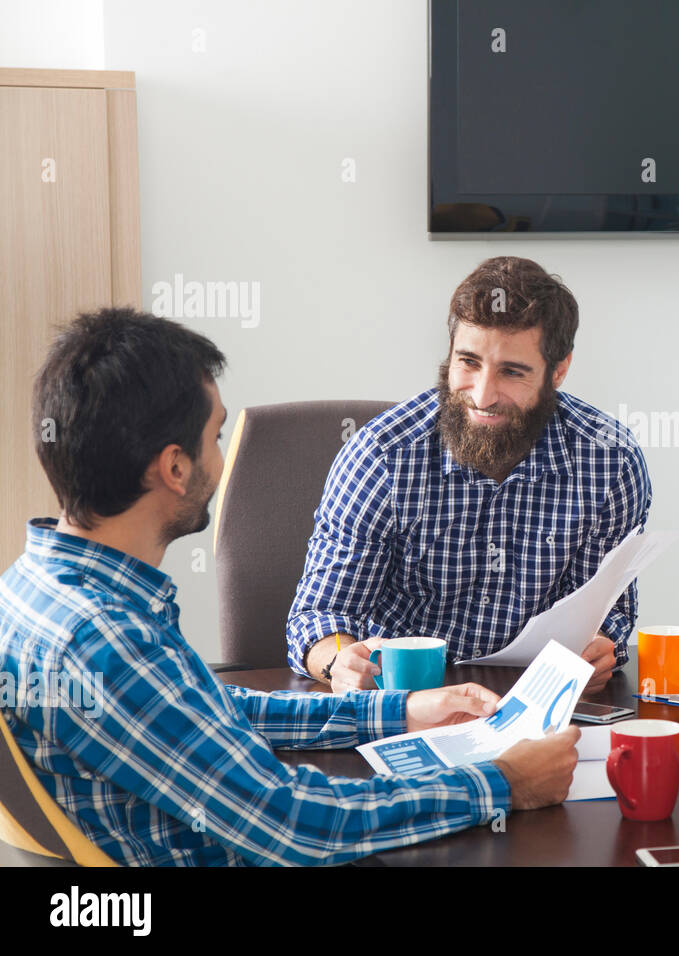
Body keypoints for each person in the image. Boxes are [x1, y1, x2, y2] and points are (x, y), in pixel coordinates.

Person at [0, 308, 579, 866]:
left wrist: (395, 712)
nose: (222, 459)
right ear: (175, 469)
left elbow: (202, 710)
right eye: (216, 436)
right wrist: (502, 784)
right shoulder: (107, 641)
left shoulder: (37, 591)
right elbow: (295, 824)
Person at [287, 257, 651, 695]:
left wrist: (601, 648)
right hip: (409, 702)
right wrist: (338, 662)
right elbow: (318, 619)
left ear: (558, 371)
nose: (482, 395)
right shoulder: (382, 455)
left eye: (512, 372)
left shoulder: (610, 461)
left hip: (538, 701)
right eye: (468, 362)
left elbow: (608, 615)